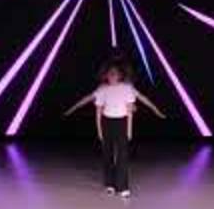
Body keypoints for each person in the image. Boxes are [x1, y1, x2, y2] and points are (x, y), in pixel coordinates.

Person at [63, 54, 166, 199]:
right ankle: (110, 184)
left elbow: (134, 107)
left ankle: (123, 187)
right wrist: (98, 130)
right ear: (106, 76)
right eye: (110, 73)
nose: (112, 76)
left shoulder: (127, 88)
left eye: (115, 73)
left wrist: (153, 113)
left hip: (121, 122)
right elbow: (95, 109)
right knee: (108, 155)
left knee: (123, 156)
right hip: (107, 123)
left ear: (120, 75)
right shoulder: (102, 89)